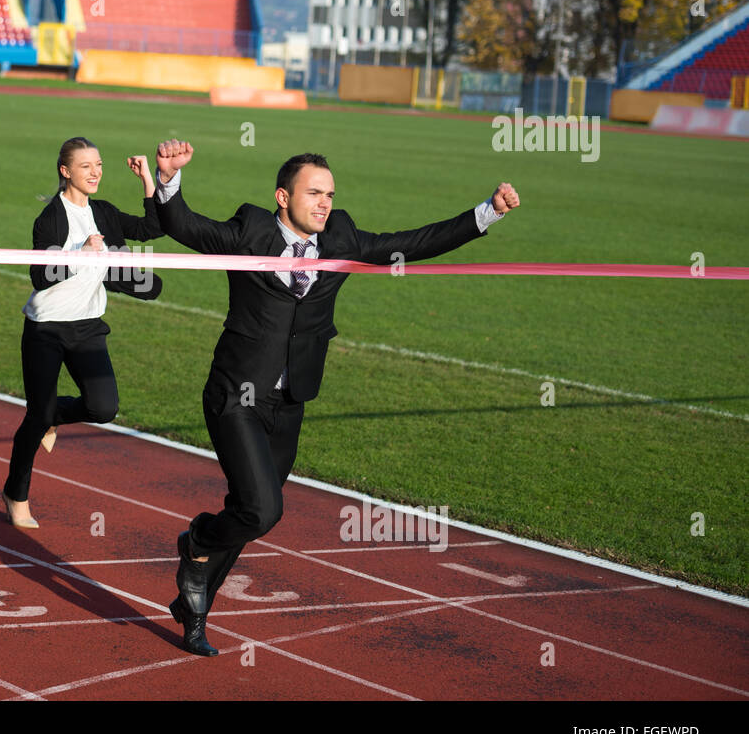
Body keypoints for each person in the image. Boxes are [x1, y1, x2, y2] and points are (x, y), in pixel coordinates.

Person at [152, 141, 521, 655]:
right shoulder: (250, 231)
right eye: (313, 193)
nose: (324, 203)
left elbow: (413, 242)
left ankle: (194, 610)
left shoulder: (341, 237)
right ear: (283, 196)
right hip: (237, 394)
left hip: (291, 402)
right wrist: (168, 180)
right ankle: (196, 542)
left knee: (248, 509)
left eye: (329, 194)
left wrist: (487, 213)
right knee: (261, 511)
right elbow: (186, 227)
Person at [3, 137, 164, 528]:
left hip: (88, 327)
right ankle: (15, 492)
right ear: (66, 171)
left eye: (99, 165)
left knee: (102, 407)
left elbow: (151, 227)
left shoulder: (104, 213)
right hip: (46, 328)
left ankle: (52, 414)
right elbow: (40, 276)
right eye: (86, 166)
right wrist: (82, 254)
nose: (95, 173)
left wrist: (149, 180)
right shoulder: (50, 219)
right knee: (36, 417)